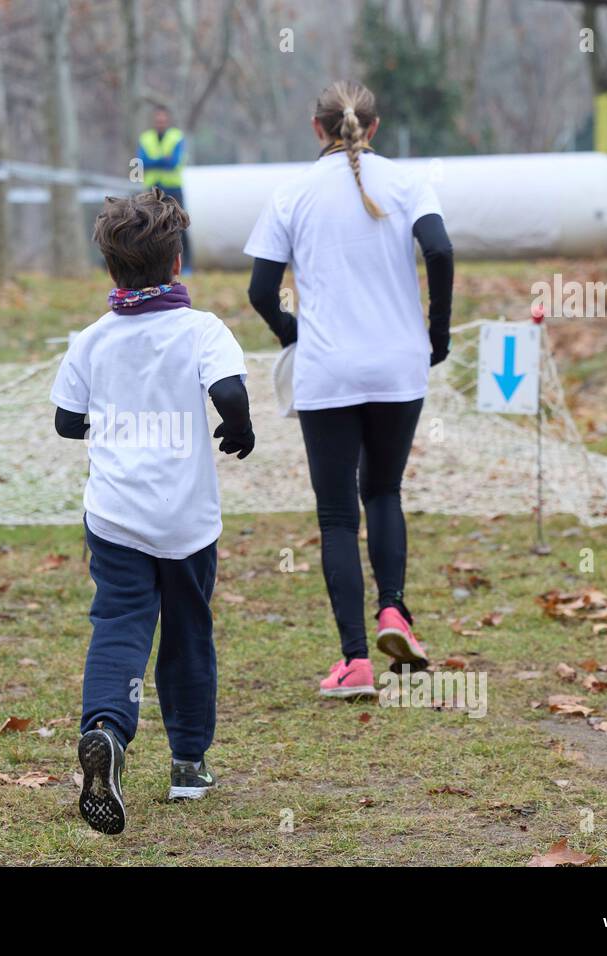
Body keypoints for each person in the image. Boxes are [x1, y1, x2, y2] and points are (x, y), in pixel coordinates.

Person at [50, 188, 254, 834]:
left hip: (114, 517)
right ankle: (189, 764)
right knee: (188, 632)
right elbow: (228, 390)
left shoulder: (92, 340)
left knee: (119, 624)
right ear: (176, 265)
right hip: (187, 522)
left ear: (112, 271)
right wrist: (238, 429)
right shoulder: (201, 329)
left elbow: (64, 420)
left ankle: (106, 730)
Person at [244, 81, 454, 698]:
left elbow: (260, 291)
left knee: (338, 517)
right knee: (384, 491)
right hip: (398, 365)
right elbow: (439, 249)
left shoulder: (291, 193)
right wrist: (434, 332)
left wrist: (293, 333)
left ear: (317, 129)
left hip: (328, 371)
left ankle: (355, 664)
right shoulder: (407, 182)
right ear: (375, 125)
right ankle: (394, 611)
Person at [137, 107, 192, 270]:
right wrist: (162, 160)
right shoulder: (145, 138)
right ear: (154, 121)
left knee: (179, 224)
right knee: (152, 227)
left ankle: (186, 265)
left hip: (173, 187)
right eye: (157, 120)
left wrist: (153, 160)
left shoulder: (177, 137)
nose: (160, 123)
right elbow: (141, 163)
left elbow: (173, 162)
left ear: (167, 121)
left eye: (163, 120)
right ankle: (157, 264)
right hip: (152, 188)